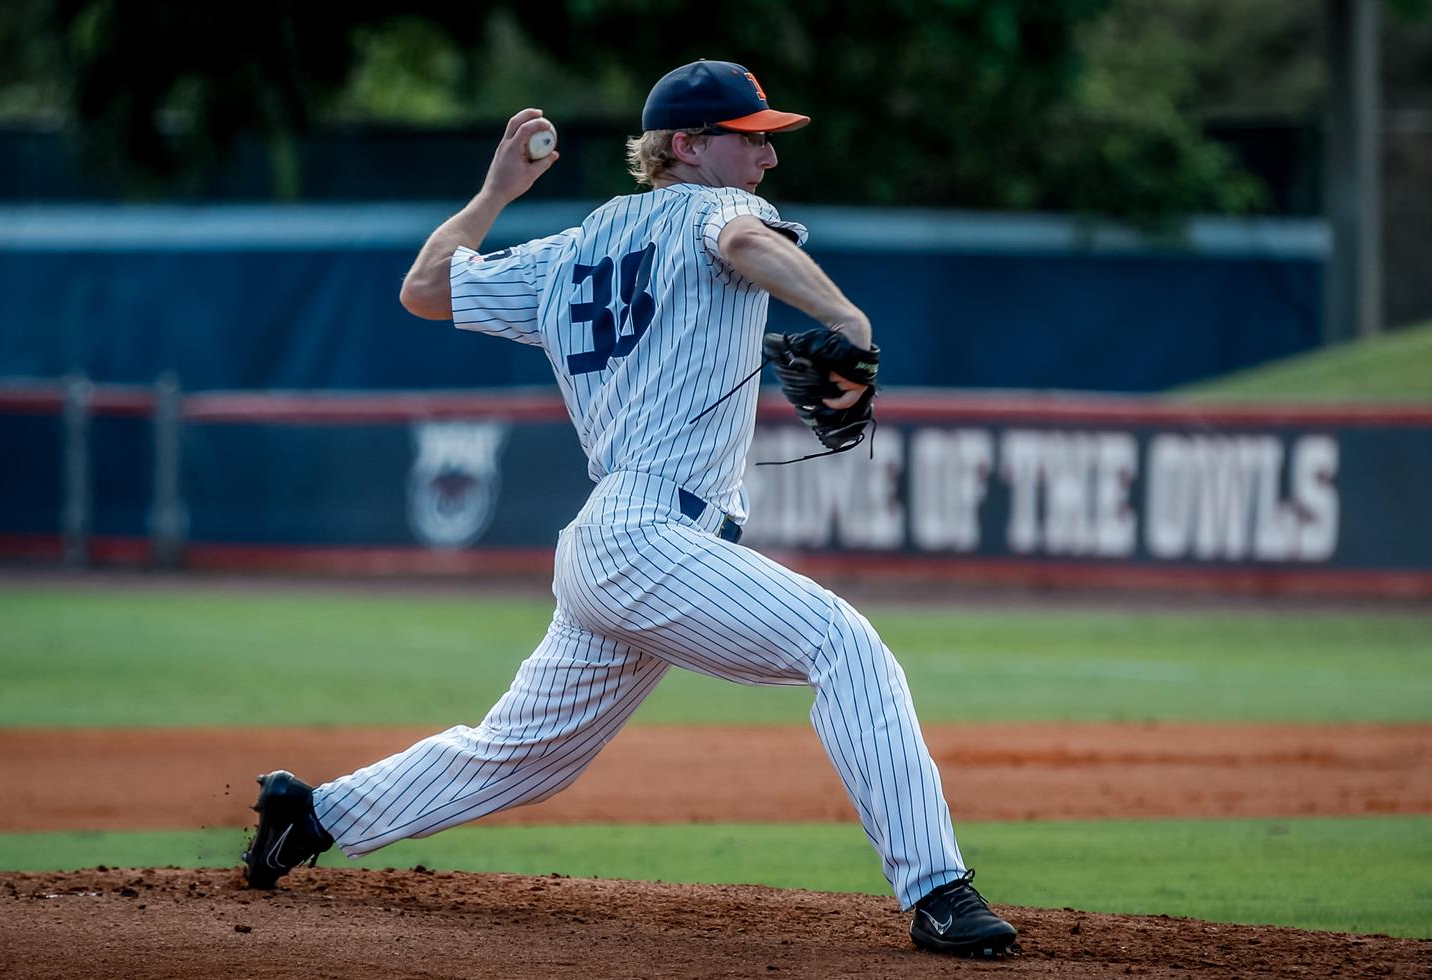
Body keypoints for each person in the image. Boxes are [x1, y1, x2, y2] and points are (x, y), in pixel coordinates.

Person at [239, 59, 1017, 958]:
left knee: (526, 754)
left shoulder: (570, 249)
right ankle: (939, 892)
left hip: (618, 540)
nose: (767, 160)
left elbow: (425, 289)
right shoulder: (712, 211)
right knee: (843, 645)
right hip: (650, 534)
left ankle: (311, 815)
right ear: (687, 147)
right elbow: (742, 246)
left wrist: (496, 192)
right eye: (751, 138)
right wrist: (850, 319)